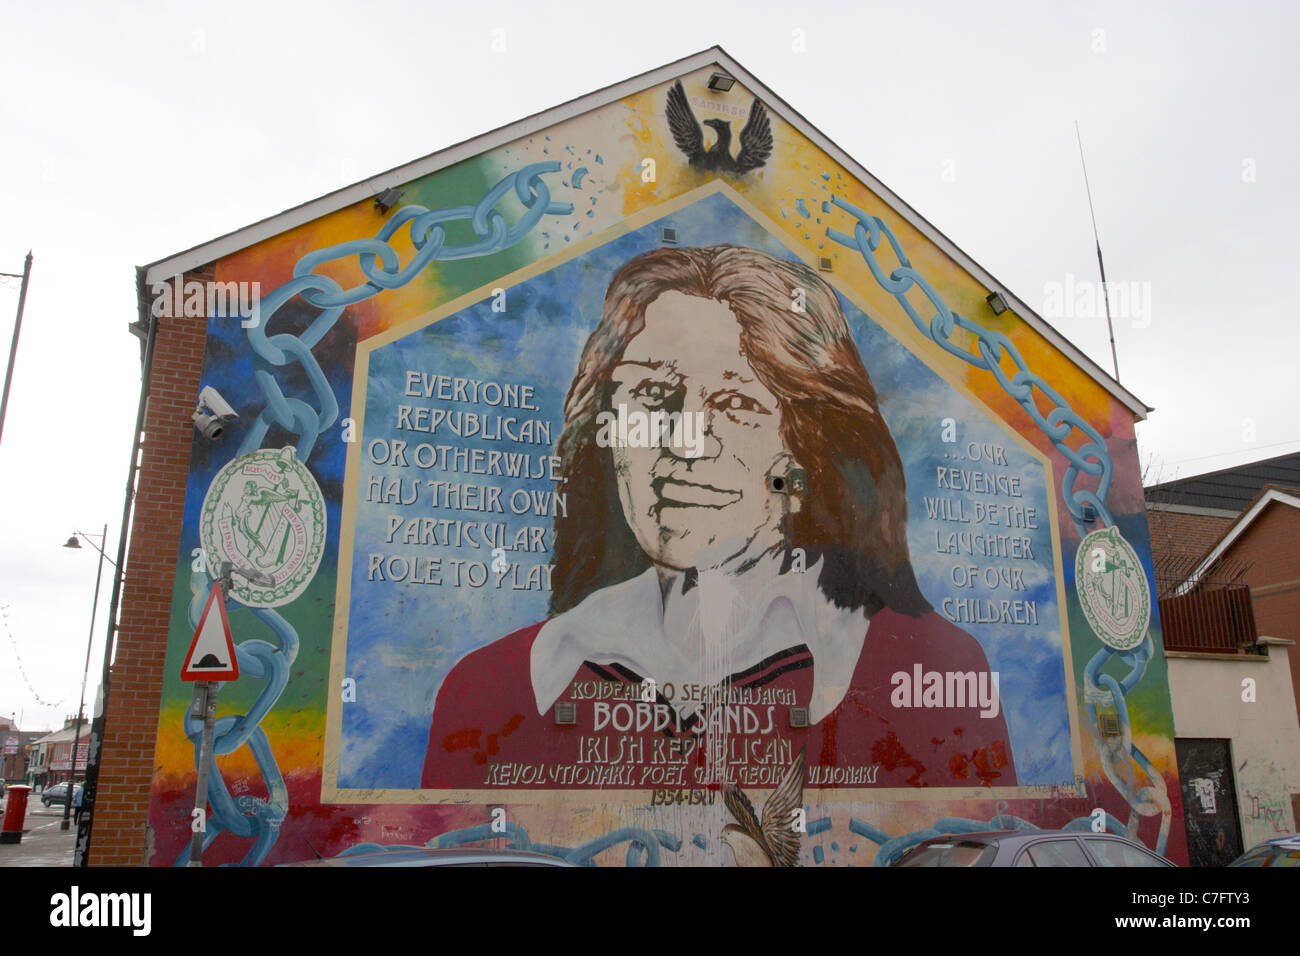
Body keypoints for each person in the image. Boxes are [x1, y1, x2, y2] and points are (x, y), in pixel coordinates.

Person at [422, 245, 1015, 790]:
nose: (686, 442)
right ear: (605, 431)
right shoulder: (491, 692)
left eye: (737, 403)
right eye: (652, 394)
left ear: (805, 450)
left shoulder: (930, 677)